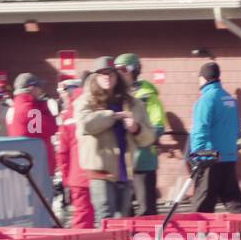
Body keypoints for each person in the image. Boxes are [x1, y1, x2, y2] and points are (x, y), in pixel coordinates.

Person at [75, 56, 156, 225]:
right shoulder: (86, 101)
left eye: (111, 73)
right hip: (100, 171)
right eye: (102, 74)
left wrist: (136, 128)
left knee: (122, 221)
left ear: (117, 76)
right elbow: (86, 124)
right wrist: (112, 115)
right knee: (105, 219)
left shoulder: (131, 103)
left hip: (124, 171)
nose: (107, 77)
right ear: (95, 77)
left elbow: (149, 137)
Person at [189, 62, 241, 213]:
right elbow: (236, 128)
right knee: (234, 202)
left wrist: (197, 154)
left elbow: (199, 129)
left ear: (202, 78)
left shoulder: (205, 100)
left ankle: (198, 236)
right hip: (228, 158)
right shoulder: (230, 100)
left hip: (210, 159)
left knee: (202, 208)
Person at [115, 53, 167, 215]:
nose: (118, 74)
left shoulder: (147, 96)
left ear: (134, 70)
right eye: (115, 70)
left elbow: (158, 126)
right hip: (121, 162)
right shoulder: (115, 95)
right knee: (123, 211)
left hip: (143, 159)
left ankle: (149, 239)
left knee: (146, 210)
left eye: (123, 69)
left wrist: (141, 135)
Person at [57, 77, 94, 228]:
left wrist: (66, 177)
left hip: (77, 176)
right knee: (108, 217)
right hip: (101, 172)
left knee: (82, 216)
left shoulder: (68, 115)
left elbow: (62, 152)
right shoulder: (99, 106)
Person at [9, 73, 58, 175]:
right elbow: (51, 128)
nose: (41, 90)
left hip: (28, 162)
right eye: (39, 87)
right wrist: (43, 105)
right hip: (36, 165)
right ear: (31, 88)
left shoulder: (16, 106)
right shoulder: (29, 109)